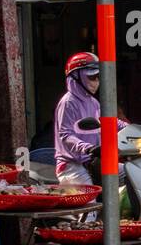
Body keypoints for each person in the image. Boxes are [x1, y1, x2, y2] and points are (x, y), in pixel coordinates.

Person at [54, 52, 128, 185]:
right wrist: (88, 148)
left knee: (131, 174)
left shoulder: (93, 102)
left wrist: (137, 129)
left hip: (94, 161)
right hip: (72, 165)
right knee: (89, 202)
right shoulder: (68, 103)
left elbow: (109, 121)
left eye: (98, 77)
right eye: (92, 77)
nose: (97, 82)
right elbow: (65, 135)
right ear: (77, 77)